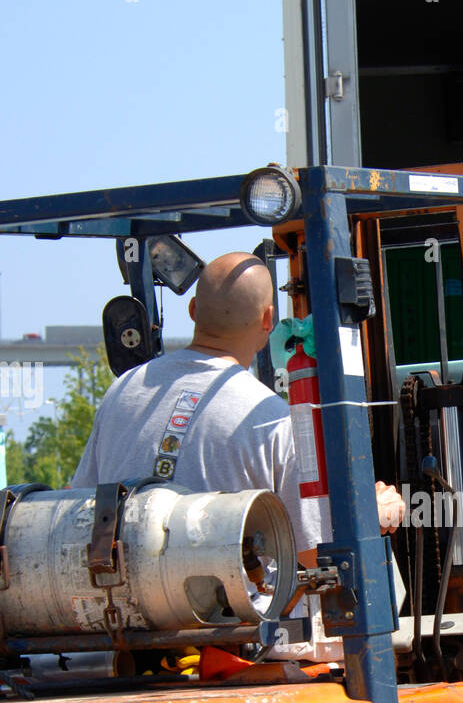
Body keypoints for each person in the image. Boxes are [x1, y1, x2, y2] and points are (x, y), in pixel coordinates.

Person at [73, 251, 404, 655]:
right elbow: (316, 555)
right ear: (269, 320)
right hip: (228, 647)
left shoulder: (122, 392)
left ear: (193, 310)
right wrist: (369, 515)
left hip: (128, 634)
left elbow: (83, 509)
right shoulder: (271, 419)